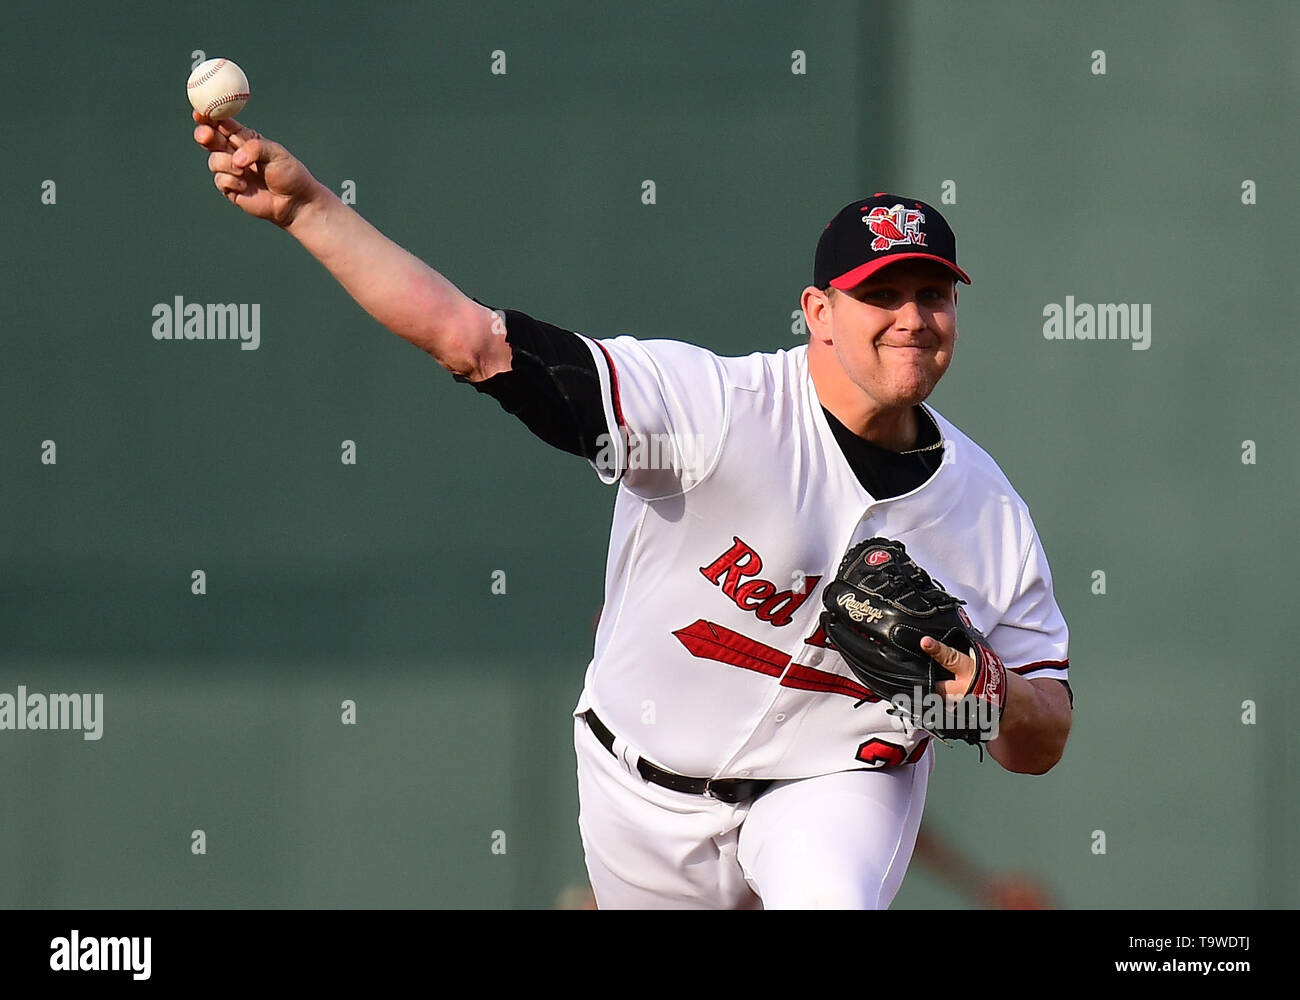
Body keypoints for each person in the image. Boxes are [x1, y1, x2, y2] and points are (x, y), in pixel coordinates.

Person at [192, 111, 1073, 910]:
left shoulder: (983, 508)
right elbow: (469, 340)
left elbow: (1040, 740)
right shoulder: (713, 408)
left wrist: (985, 698)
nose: (912, 317)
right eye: (881, 294)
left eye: (932, 293)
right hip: (639, 796)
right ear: (818, 314)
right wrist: (309, 210)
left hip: (835, 782)